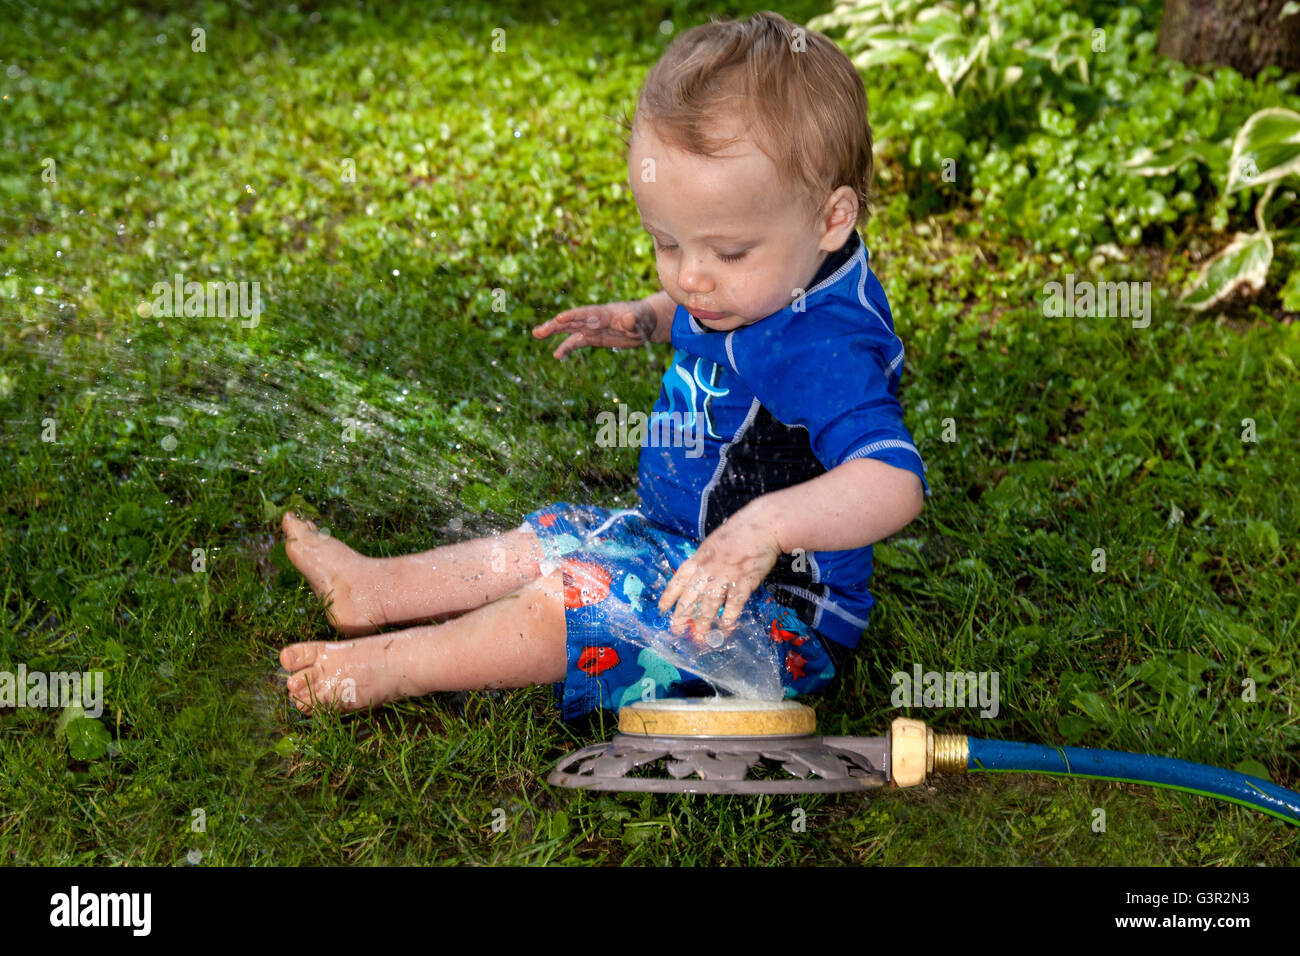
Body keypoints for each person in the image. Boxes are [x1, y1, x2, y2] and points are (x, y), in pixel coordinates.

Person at [278, 11, 929, 719]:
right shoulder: (777, 273)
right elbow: (719, 309)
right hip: (680, 545)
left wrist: (763, 530)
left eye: (728, 252)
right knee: (551, 540)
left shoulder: (824, 345)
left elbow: (892, 482)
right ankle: (376, 590)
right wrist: (647, 317)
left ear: (831, 218)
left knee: (571, 605)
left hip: (771, 617)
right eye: (667, 243)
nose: (693, 279)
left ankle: (394, 667)